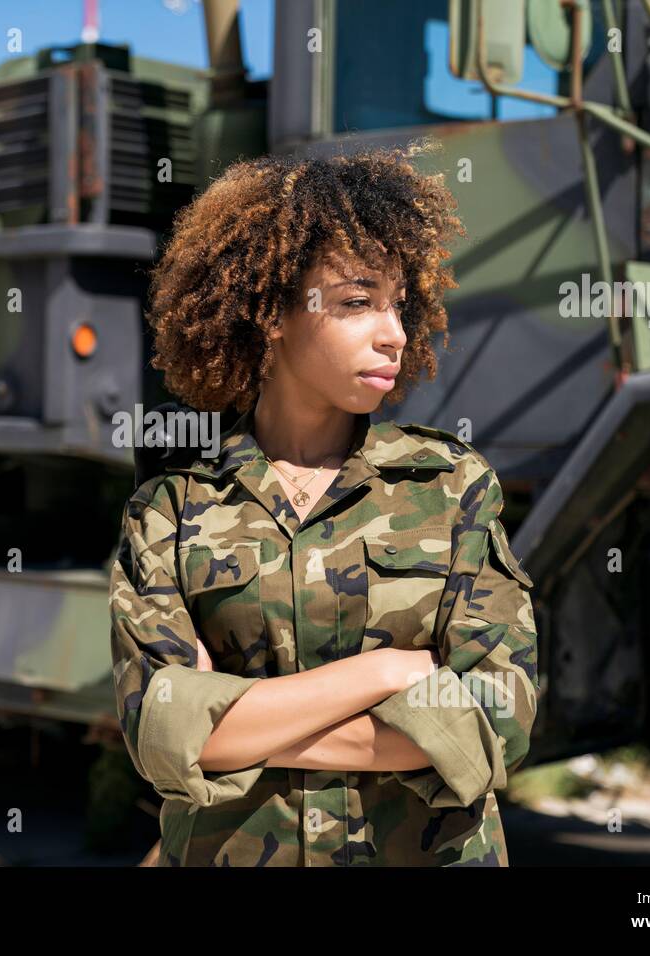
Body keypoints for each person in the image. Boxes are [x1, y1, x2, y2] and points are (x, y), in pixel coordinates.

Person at [108, 144, 539, 866]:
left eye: (398, 306)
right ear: (272, 314)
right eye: (356, 303)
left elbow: (493, 725)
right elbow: (162, 733)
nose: (394, 333)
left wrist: (238, 725)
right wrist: (381, 676)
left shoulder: (452, 489)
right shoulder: (171, 514)